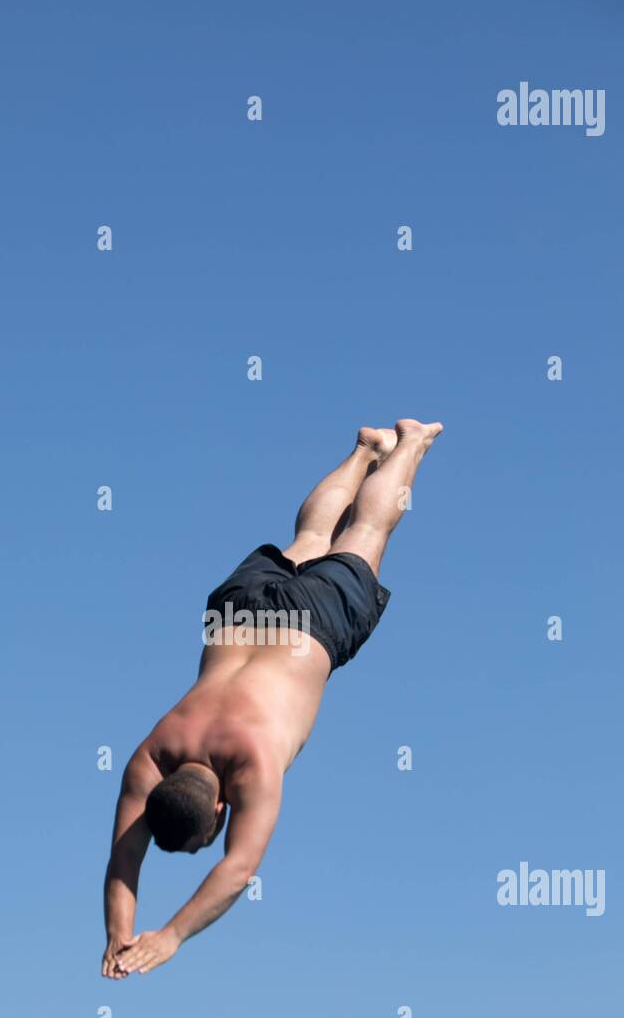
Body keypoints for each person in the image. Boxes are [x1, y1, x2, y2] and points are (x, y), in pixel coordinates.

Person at [102, 417, 443, 978]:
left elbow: (238, 870)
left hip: (310, 635)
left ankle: (411, 442)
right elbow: (122, 856)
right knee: (310, 539)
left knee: (366, 533)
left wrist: (171, 936)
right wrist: (117, 932)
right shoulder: (152, 755)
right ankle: (365, 450)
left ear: (219, 810)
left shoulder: (253, 765)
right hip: (232, 620)